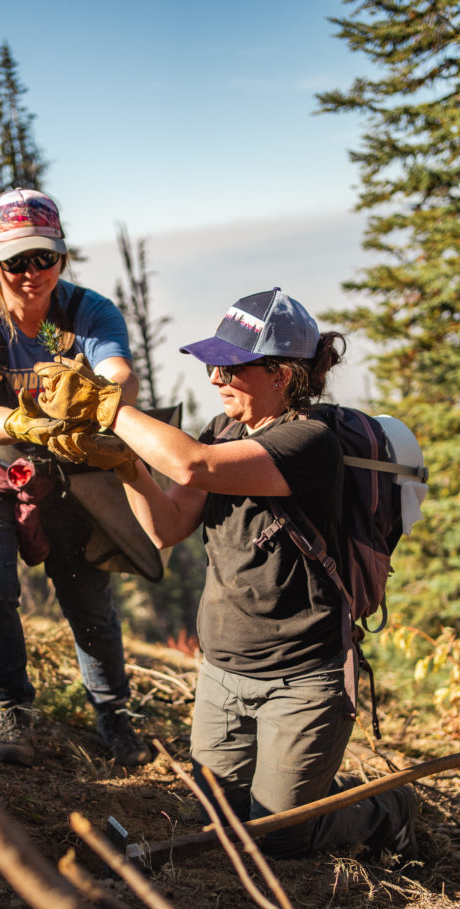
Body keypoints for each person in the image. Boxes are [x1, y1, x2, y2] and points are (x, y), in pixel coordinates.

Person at [33, 287, 418, 858]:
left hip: (302, 678)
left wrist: (109, 408)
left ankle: (389, 810)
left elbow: (194, 466)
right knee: (220, 821)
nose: (214, 376)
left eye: (230, 365)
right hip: (223, 673)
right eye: (212, 363)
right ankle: (303, 794)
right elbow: (165, 527)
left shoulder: (310, 442)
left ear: (283, 374)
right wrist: (130, 467)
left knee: (278, 835)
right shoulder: (222, 429)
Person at [0, 187, 151, 769]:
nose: (31, 273)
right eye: (16, 260)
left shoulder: (87, 311)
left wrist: (103, 393)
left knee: (87, 589)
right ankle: (10, 710)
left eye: (43, 257)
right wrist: (30, 423)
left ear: (61, 257)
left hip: (67, 463)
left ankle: (112, 714)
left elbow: (120, 370)